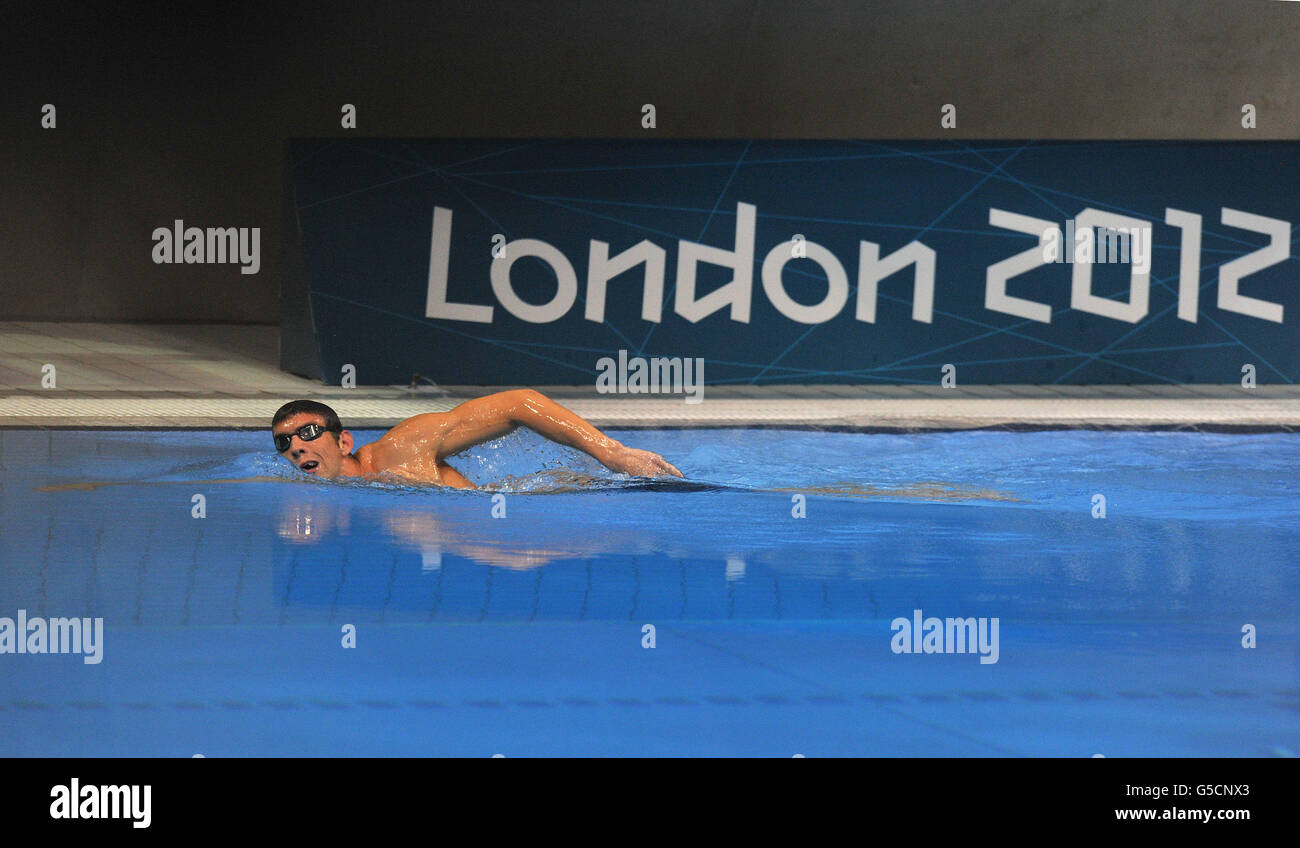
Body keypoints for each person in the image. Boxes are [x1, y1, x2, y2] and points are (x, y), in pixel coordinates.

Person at [271, 388, 682, 489]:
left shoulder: (401, 447)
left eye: (307, 433)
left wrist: (614, 453)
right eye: (284, 443)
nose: (297, 446)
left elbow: (519, 403)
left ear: (344, 442)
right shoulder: (297, 493)